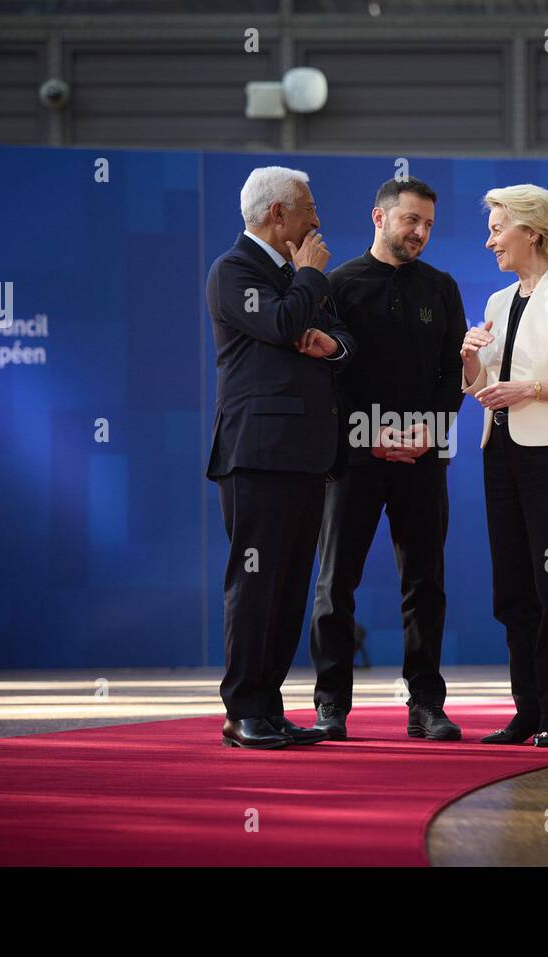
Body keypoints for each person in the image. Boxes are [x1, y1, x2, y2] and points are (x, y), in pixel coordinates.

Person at [309, 178, 467, 741]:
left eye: (428, 223)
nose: (420, 232)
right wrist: (363, 435)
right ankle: (331, 706)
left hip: (426, 455)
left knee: (425, 582)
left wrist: (429, 429)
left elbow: (454, 373)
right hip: (354, 455)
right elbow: (324, 373)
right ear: (379, 217)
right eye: (410, 221)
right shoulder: (337, 285)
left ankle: (425, 705)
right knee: (335, 583)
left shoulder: (443, 288)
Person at [204, 166, 354, 749]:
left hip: (307, 455)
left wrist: (331, 342)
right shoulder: (234, 270)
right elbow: (282, 321)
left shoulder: (300, 277)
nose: (317, 219)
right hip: (257, 454)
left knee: (291, 587)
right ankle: (242, 708)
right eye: (308, 208)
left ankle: (268, 707)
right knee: (256, 582)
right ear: (277, 215)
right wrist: (311, 280)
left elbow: (343, 339)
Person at [461, 184, 548, 748]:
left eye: (498, 228)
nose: (489, 238)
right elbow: (483, 390)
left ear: (533, 233)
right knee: (512, 591)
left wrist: (533, 388)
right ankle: (525, 711)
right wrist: (471, 363)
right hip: (499, 455)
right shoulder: (499, 302)